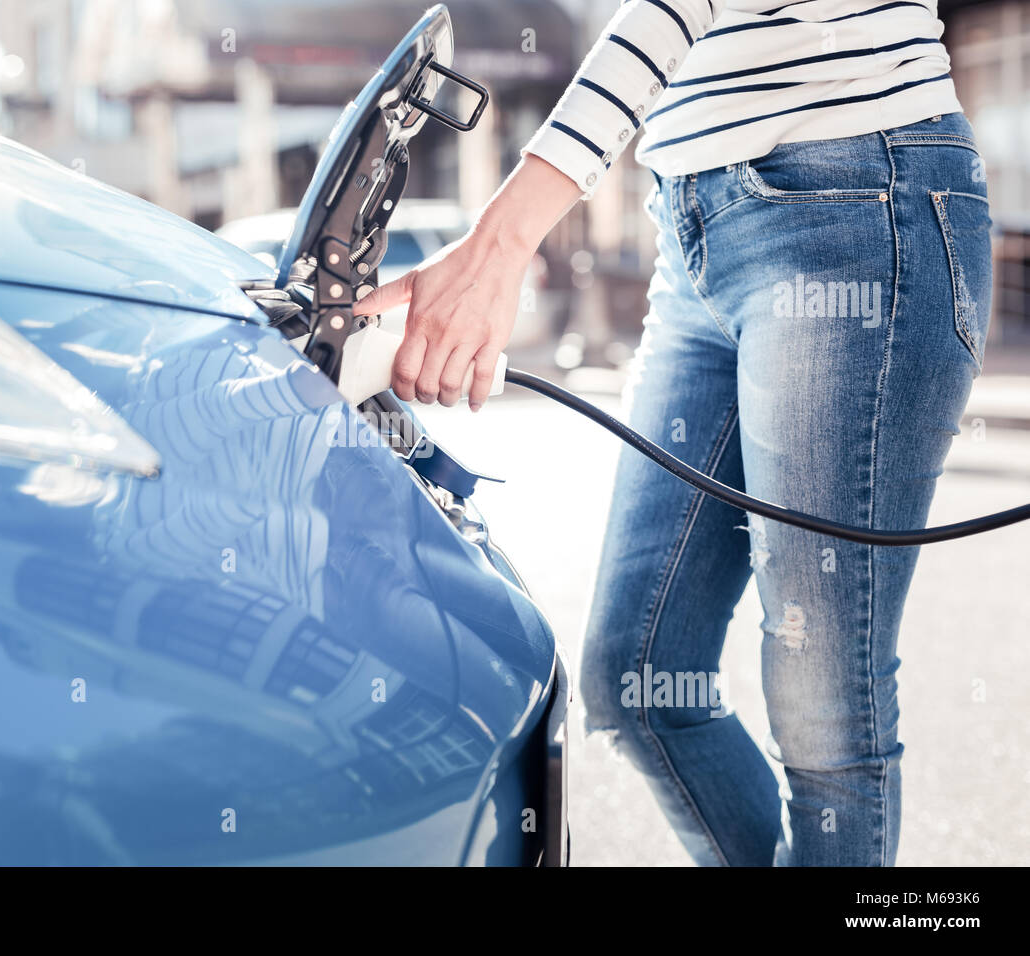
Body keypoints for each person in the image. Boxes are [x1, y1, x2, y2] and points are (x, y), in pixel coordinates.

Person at [354, 0, 992, 866]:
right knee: (639, 673)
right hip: (692, 224)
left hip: (855, 200)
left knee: (823, 707)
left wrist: (498, 246)